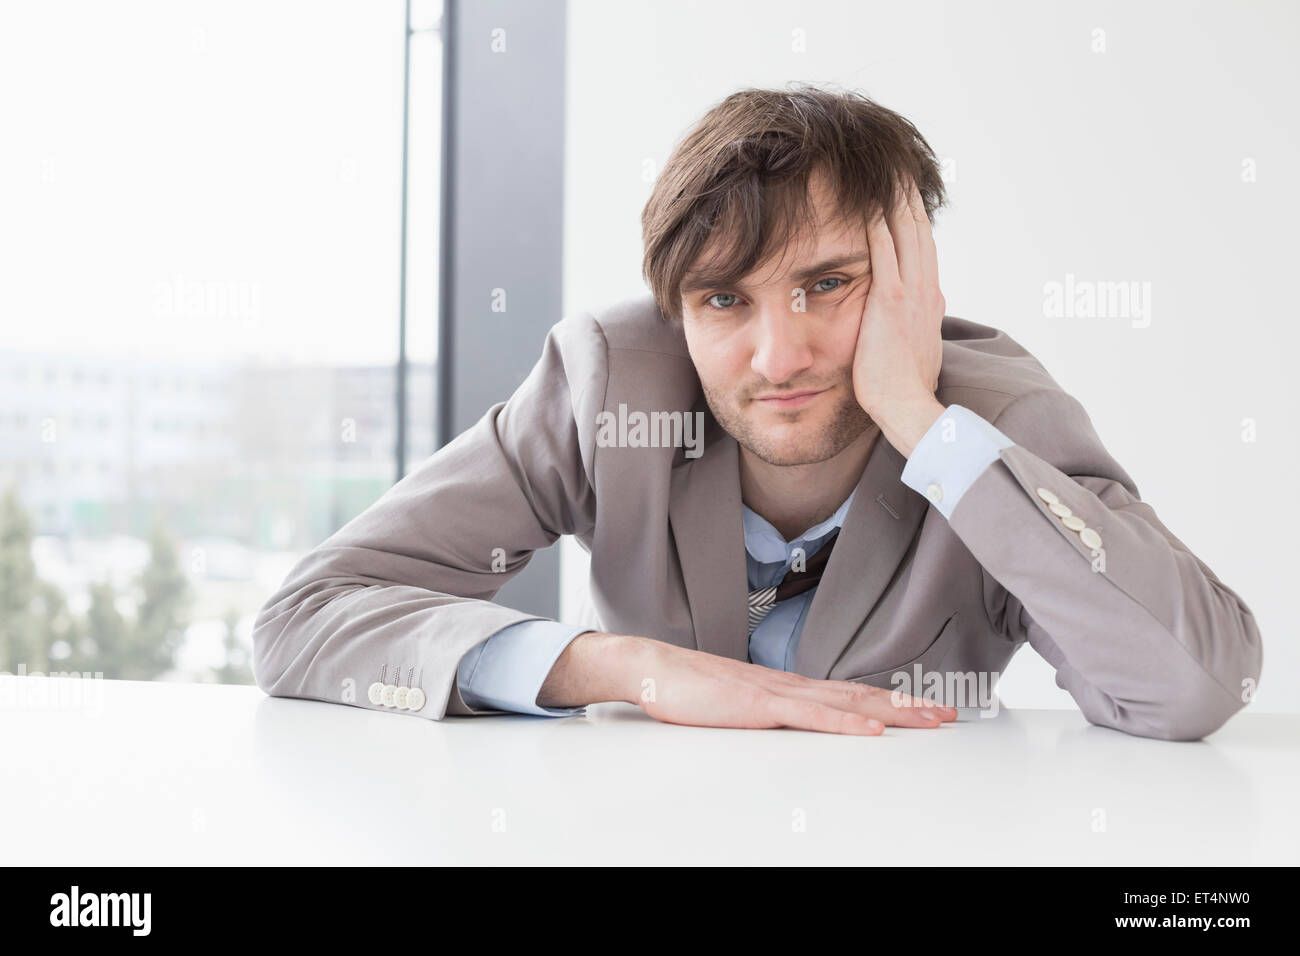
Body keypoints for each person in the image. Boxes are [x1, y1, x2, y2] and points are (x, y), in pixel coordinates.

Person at [252, 84, 1262, 740]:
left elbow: (1195, 683)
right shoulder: (611, 385)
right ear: (675, 310)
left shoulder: (997, 429)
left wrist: (919, 419)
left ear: (914, 281)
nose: (779, 356)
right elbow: (305, 618)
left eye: (827, 284)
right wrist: (622, 667)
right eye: (724, 298)